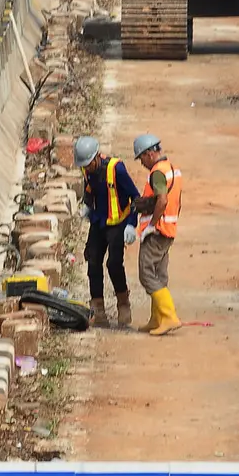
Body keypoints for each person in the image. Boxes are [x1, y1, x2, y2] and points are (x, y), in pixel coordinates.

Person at [75, 134, 139, 328]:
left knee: (113, 264)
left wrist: (131, 224)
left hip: (118, 224)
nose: (86, 168)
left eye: (89, 164)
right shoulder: (88, 171)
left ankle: (123, 302)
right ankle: (98, 308)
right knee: (93, 261)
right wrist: (86, 207)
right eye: (83, 166)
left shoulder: (116, 169)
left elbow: (135, 197)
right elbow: (90, 191)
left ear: (97, 157)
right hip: (99, 222)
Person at [132, 133, 182, 336]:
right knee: (159, 274)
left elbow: (161, 201)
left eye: (142, 158)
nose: (142, 163)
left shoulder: (158, 173)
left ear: (150, 153)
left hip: (158, 231)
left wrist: (151, 225)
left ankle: (169, 317)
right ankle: (157, 318)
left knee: (147, 274)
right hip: (168, 230)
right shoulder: (171, 169)